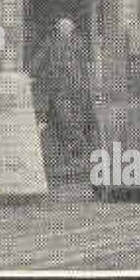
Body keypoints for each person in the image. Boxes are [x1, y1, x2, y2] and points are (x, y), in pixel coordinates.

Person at [29, 15, 97, 182]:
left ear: (72, 30)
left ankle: (79, 159)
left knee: (79, 121)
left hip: (78, 90)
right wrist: (29, 74)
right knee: (66, 121)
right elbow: (38, 60)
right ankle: (76, 155)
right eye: (63, 29)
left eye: (69, 29)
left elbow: (87, 66)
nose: (66, 32)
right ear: (58, 30)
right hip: (60, 91)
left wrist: (89, 85)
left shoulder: (78, 44)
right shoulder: (51, 43)